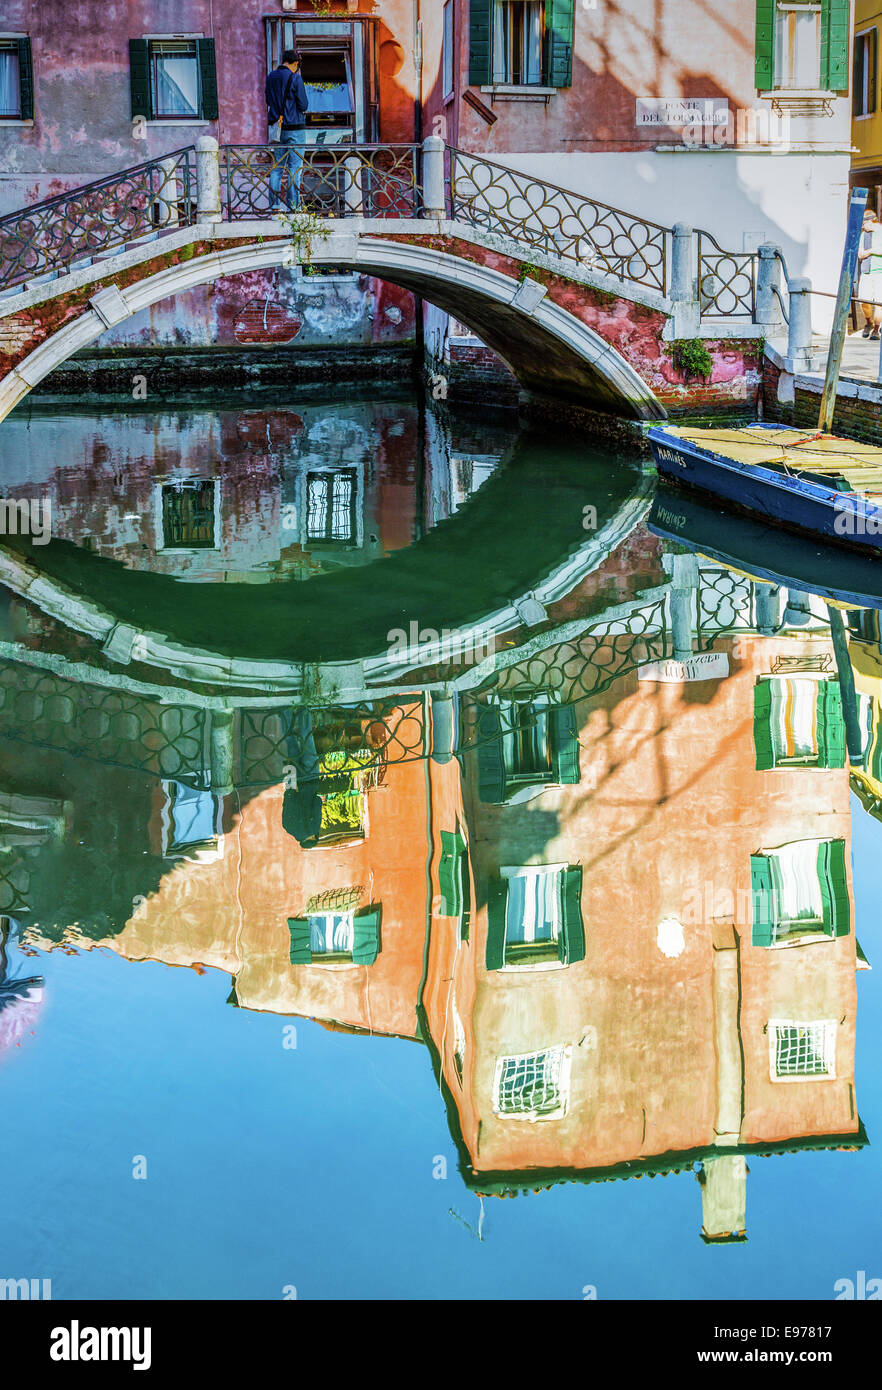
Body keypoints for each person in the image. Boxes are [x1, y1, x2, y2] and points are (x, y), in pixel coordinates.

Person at [265, 49, 309, 213]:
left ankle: (274, 207)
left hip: (277, 129)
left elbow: (268, 100)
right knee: (295, 167)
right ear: (295, 63)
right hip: (295, 128)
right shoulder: (295, 78)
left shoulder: (270, 77)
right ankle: (294, 206)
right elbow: (304, 105)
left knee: (277, 167)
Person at [857, 207, 882, 339]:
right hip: (866, 272)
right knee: (863, 300)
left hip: (880, 272)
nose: (863, 226)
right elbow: (860, 254)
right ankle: (869, 322)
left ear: (873, 221)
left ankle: (876, 330)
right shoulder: (864, 235)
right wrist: (875, 250)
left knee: (879, 302)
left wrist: (870, 250)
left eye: (864, 223)